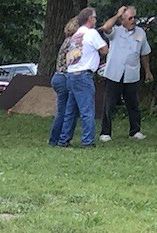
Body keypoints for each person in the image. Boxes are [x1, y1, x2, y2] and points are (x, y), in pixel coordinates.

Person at [56, 8, 109, 148]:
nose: (96, 20)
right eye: (95, 17)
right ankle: (87, 141)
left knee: (71, 111)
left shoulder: (76, 35)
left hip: (71, 74)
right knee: (87, 110)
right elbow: (104, 50)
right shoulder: (91, 33)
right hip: (84, 75)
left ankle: (64, 140)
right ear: (90, 19)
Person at [98, 6, 152, 139]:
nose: (133, 20)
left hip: (132, 74)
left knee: (133, 104)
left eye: (134, 17)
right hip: (114, 73)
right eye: (129, 18)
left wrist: (148, 71)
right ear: (122, 20)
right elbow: (105, 27)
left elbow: (144, 53)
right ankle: (105, 132)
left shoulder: (140, 33)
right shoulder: (116, 31)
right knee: (109, 104)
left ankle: (135, 131)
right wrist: (117, 15)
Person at [49, 14, 84, 146]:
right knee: (65, 111)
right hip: (64, 77)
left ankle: (56, 139)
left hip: (58, 76)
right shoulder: (73, 42)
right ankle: (57, 139)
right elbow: (75, 58)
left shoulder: (66, 41)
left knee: (62, 110)